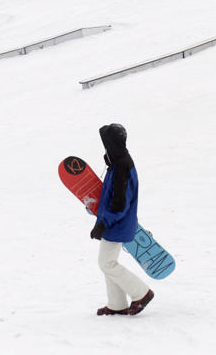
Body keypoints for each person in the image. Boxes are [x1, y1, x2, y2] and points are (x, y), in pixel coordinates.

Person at [91, 124, 154, 316]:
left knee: (106, 263)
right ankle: (117, 304)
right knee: (108, 262)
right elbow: (111, 196)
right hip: (114, 223)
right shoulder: (117, 163)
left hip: (117, 224)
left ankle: (142, 293)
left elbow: (119, 203)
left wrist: (104, 222)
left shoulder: (121, 167)